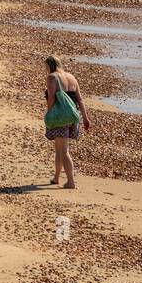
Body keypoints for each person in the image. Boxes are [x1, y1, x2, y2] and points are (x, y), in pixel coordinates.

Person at [44, 55, 90, 189]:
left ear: (49, 66)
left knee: (63, 150)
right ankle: (56, 178)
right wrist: (85, 118)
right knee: (59, 149)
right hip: (73, 116)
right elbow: (79, 99)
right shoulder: (71, 77)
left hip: (60, 117)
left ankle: (71, 182)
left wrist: (49, 113)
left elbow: (51, 98)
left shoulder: (52, 77)